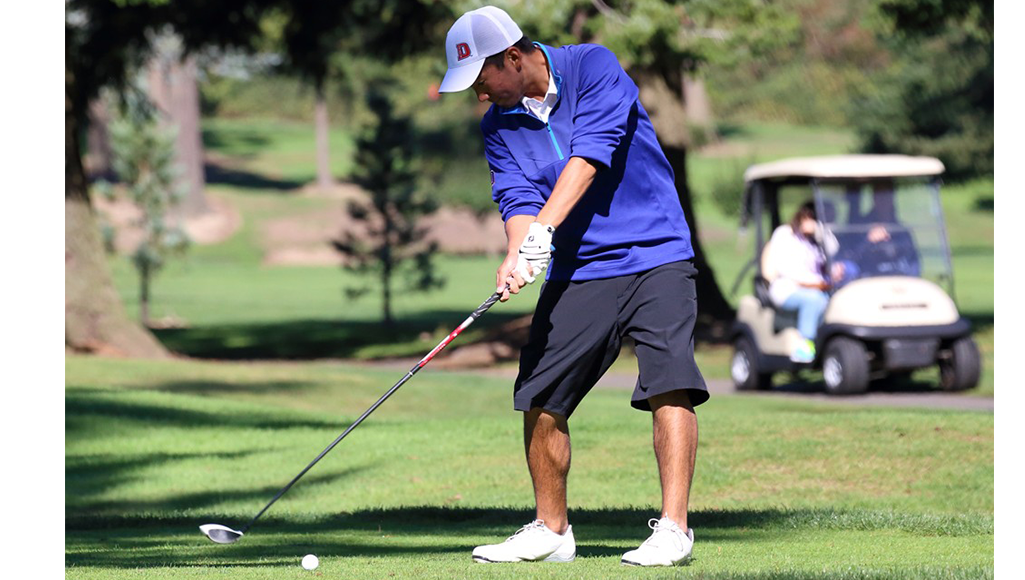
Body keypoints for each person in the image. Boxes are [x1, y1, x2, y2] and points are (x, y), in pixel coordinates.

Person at [437, 6, 708, 567]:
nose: (480, 97)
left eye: (481, 80)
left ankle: (674, 530)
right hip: (579, 269)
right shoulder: (498, 125)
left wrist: (541, 232)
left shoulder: (593, 66)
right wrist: (518, 255)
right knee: (539, 393)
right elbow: (516, 197)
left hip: (654, 249)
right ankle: (552, 530)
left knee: (669, 380)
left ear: (512, 57)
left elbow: (589, 156)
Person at [764, 202, 839, 363]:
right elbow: (784, 267)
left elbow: (834, 249)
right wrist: (811, 283)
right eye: (809, 218)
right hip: (787, 289)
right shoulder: (784, 234)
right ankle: (805, 345)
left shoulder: (817, 239)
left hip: (818, 288)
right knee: (814, 299)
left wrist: (819, 231)